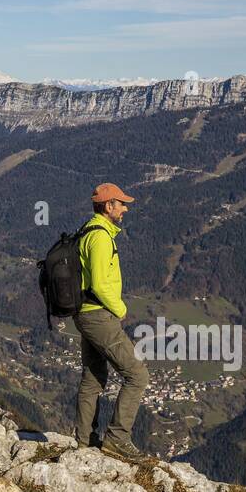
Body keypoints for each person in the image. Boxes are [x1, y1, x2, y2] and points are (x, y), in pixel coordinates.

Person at [74, 182, 151, 460]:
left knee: (94, 376)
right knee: (137, 374)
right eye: (121, 204)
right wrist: (119, 308)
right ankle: (117, 438)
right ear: (109, 206)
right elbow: (99, 283)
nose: (125, 208)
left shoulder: (91, 230)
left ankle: (85, 441)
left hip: (87, 313)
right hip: (98, 315)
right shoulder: (100, 237)